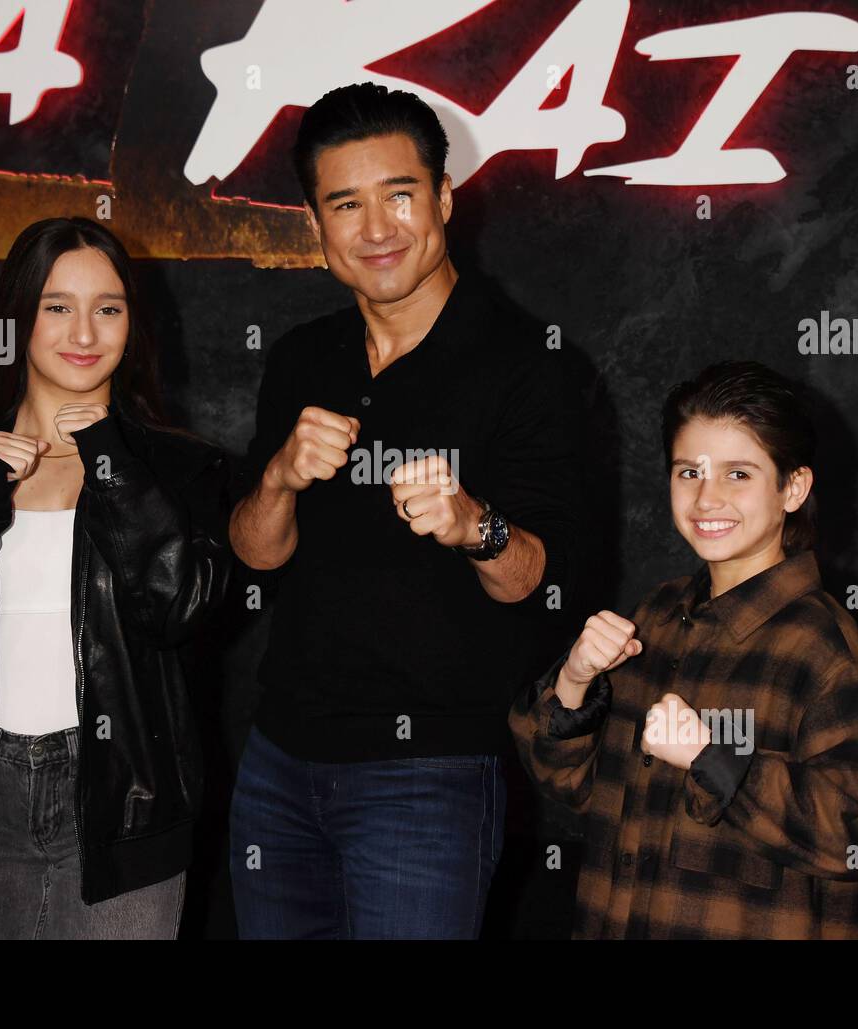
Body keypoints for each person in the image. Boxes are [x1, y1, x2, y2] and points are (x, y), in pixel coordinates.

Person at [227, 82, 583, 938]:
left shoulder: (528, 363)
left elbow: (536, 580)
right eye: (346, 204)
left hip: (431, 775)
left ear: (445, 198)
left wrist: (475, 525)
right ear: (317, 227)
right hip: (278, 761)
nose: (377, 229)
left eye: (400, 195)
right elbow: (255, 555)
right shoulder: (301, 358)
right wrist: (277, 478)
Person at [0, 217, 232, 939]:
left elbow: (179, 607)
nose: (85, 330)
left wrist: (109, 458)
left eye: (109, 306)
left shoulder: (179, 469)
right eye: (57, 305)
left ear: (133, 322)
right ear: (18, 317)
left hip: (124, 804)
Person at [510, 360, 858, 939]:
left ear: (793, 488)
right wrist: (575, 681)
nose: (707, 498)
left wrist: (713, 759)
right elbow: (572, 787)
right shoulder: (654, 618)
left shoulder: (819, 646)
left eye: (739, 474)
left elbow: (854, 838)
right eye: (689, 471)